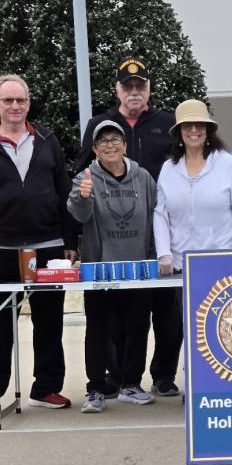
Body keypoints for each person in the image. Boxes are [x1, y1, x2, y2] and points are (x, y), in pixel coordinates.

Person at [0, 74, 77, 413]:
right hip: (2, 248)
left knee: (49, 321)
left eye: (21, 100)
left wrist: (69, 241)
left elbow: (63, 192)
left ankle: (46, 388)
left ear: (29, 104)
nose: (15, 106)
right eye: (8, 101)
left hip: (48, 245)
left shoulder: (47, 141)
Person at [76, 57, 178, 397]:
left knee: (164, 315)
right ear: (118, 90)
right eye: (127, 86)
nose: (134, 91)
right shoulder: (100, 124)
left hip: (157, 237)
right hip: (110, 242)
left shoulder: (167, 123)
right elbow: (80, 184)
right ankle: (117, 378)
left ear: (148, 88)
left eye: (140, 85)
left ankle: (162, 376)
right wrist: (72, 240)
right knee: (113, 320)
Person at [154, 99, 232, 390]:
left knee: (225, 328)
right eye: (188, 126)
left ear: (208, 130)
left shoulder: (226, 163)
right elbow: (160, 214)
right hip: (182, 265)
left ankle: (226, 385)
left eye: (200, 125)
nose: (194, 130)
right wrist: (163, 254)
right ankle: (196, 387)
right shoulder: (168, 169)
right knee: (190, 328)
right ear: (179, 131)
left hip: (222, 262)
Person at [68, 120, 157, 413]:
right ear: (94, 149)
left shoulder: (143, 177)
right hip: (99, 269)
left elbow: (157, 214)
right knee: (97, 329)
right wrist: (83, 197)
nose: (110, 145)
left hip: (137, 267)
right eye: (103, 141)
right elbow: (78, 215)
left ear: (125, 145)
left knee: (137, 327)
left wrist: (157, 255)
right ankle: (95, 389)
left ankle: (132, 383)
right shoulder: (85, 177)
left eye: (115, 139)